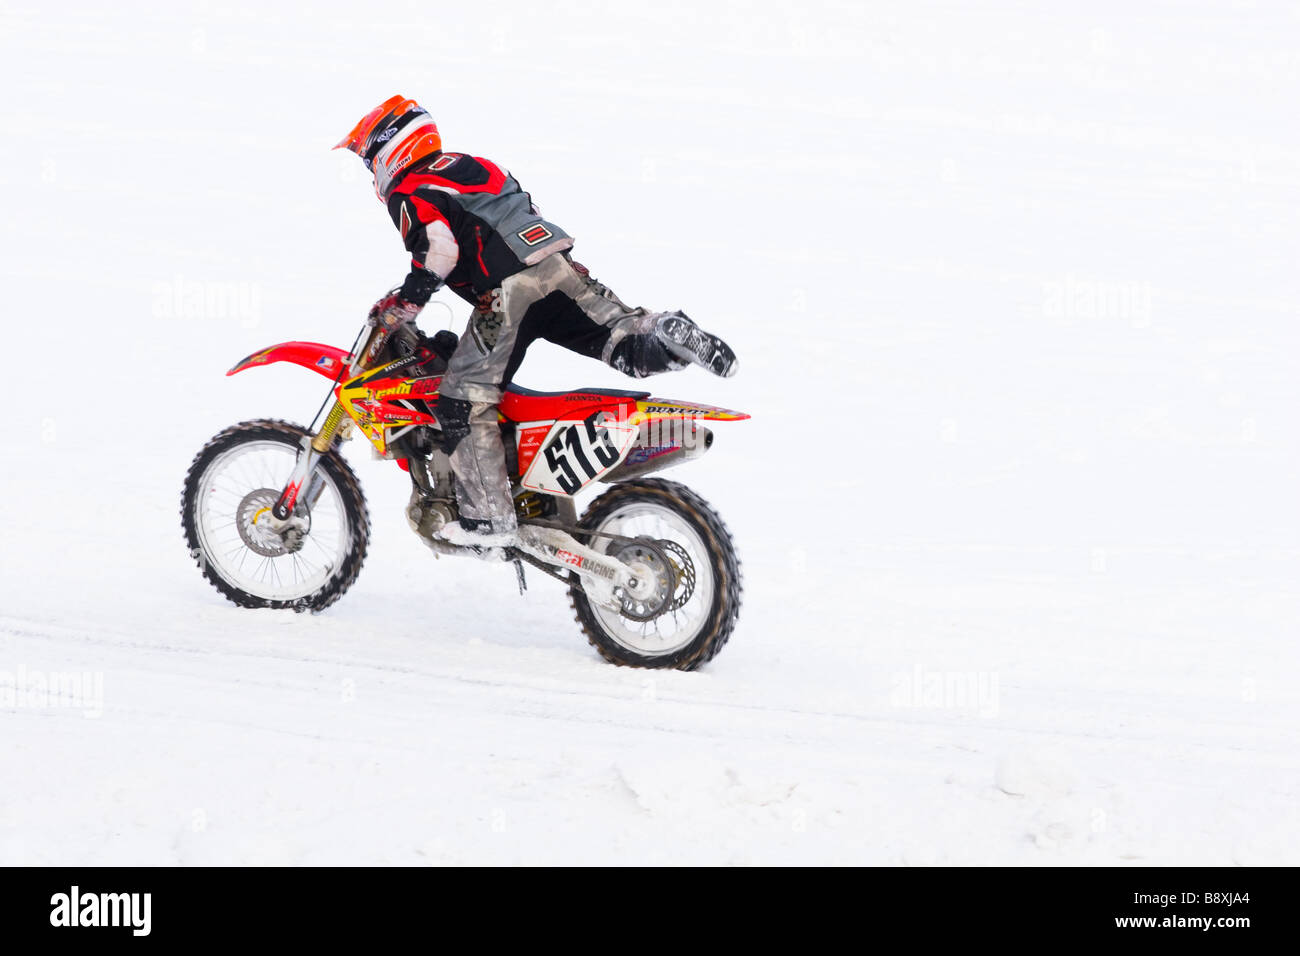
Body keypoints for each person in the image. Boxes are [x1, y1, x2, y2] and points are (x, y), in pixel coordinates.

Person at [334, 94, 737, 547]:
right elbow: (527, 209)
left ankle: (489, 518)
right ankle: (663, 332)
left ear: (392, 149)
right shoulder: (477, 165)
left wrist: (403, 307)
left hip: (507, 294)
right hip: (557, 266)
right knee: (619, 339)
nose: (373, 172)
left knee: (462, 398)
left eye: (371, 160)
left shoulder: (412, 189)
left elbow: (439, 252)